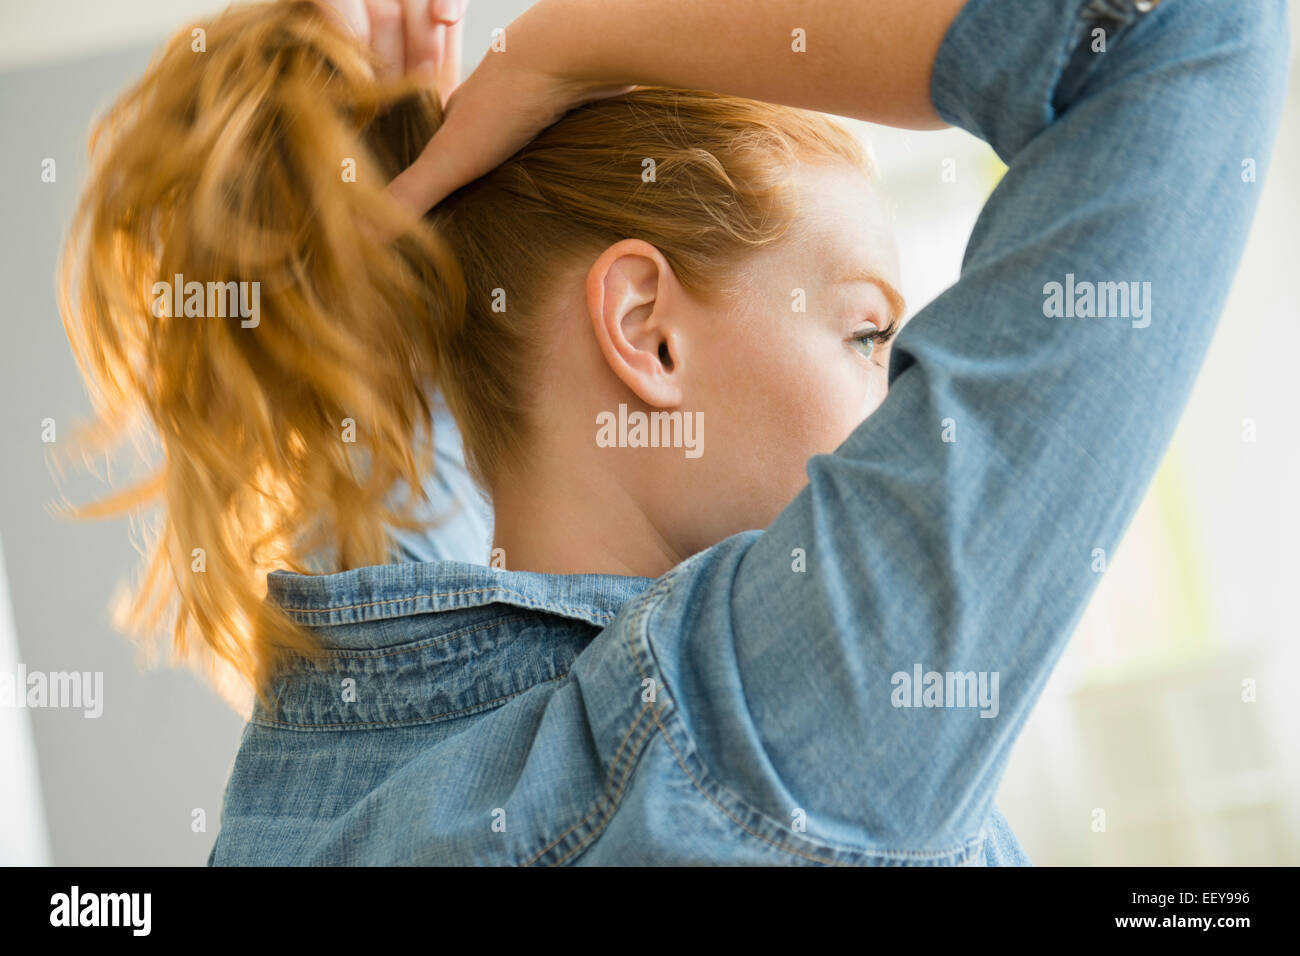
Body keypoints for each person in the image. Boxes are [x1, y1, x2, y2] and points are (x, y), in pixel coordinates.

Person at [58, 0, 1289, 865]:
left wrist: (394, 159)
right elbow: (1176, 22)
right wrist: (563, 41)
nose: (897, 400)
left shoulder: (358, 762)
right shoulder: (767, 734)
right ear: (644, 329)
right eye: (868, 334)